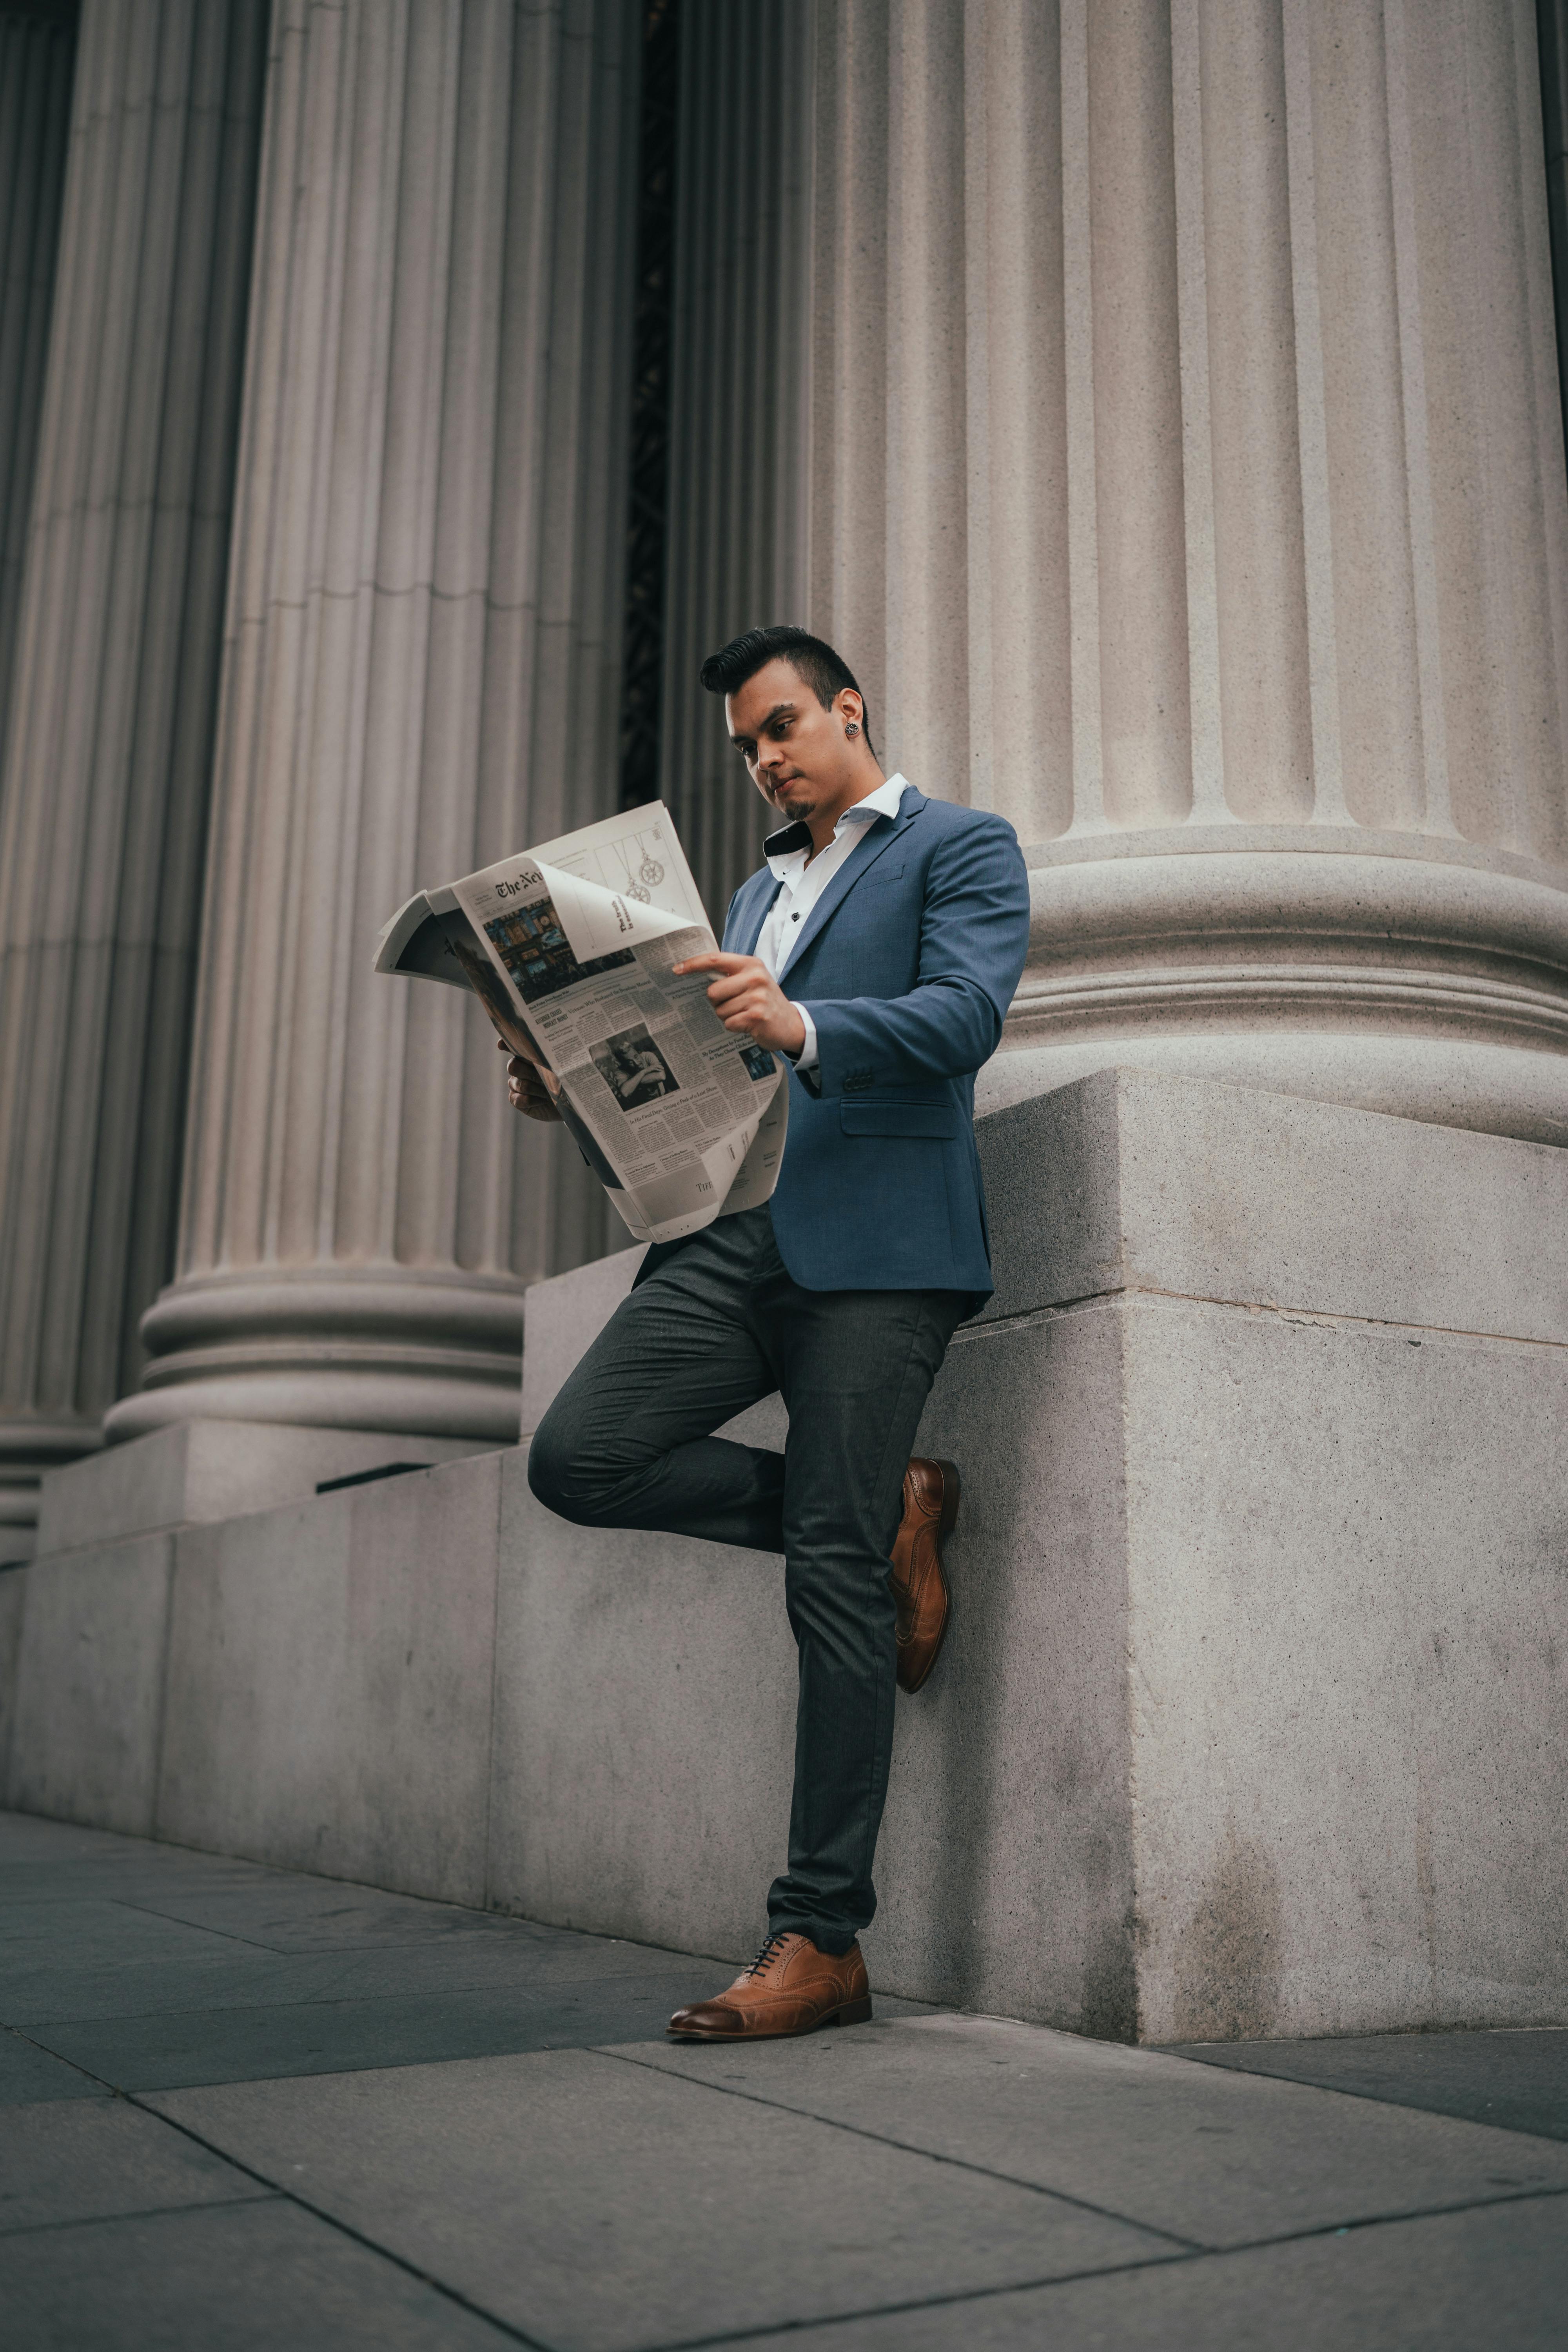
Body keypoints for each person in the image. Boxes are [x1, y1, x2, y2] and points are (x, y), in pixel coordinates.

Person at [509, 625, 1031, 2041]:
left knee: (830, 1592)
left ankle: (821, 1942)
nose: (766, 757)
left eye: (783, 726)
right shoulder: (750, 888)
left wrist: (804, 1021)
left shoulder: (961, 846)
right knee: (582, 1459)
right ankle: (881, 1515)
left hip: (877, 1253)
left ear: (852, 706)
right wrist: (580, 1086)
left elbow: (965, 1016)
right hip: (732, 1238)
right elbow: (711, 1076)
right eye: (748, 743)